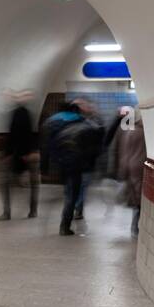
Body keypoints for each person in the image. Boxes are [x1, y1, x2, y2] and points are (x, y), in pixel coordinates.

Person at [43, 101, 104, 235]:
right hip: (77, 164)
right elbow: (96, 140)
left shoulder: (54, 122)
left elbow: (48, 145)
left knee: (68, 193)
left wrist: (46, 165)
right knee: (73, 195)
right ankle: (65, 226)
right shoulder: (80, 122)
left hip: (61, 162)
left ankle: (66, 223)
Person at [0, 90, 38, 219]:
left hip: (20, 154)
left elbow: (17, 135)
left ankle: (7, 212)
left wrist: (9, 153)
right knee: (33, 184)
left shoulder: (20, 113)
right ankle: (32, 211)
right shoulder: (23, 113)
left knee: (6, 184)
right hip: (22, 153)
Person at [114, 108, 146, 235]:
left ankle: (135, 226)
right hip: (140, 167)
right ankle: (136, 227)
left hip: (130, 167)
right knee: (139, 199)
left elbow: (124, 153)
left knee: (135, 198)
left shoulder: (129, 131)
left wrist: (122, 171)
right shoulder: (144, 133)